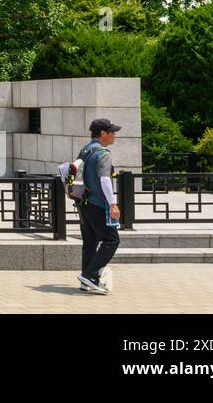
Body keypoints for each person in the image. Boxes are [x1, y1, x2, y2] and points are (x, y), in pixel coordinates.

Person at [75, 117, 122, 294]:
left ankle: (86, 280)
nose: (114, 135)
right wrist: (113, 204)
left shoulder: (85, 150)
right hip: (97, 203)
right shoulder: (103, 153)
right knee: (111, 240)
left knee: (90, 242)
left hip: (83, 202)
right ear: (103, 133)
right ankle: (91, 275)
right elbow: (105, 179)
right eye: (112, 131)